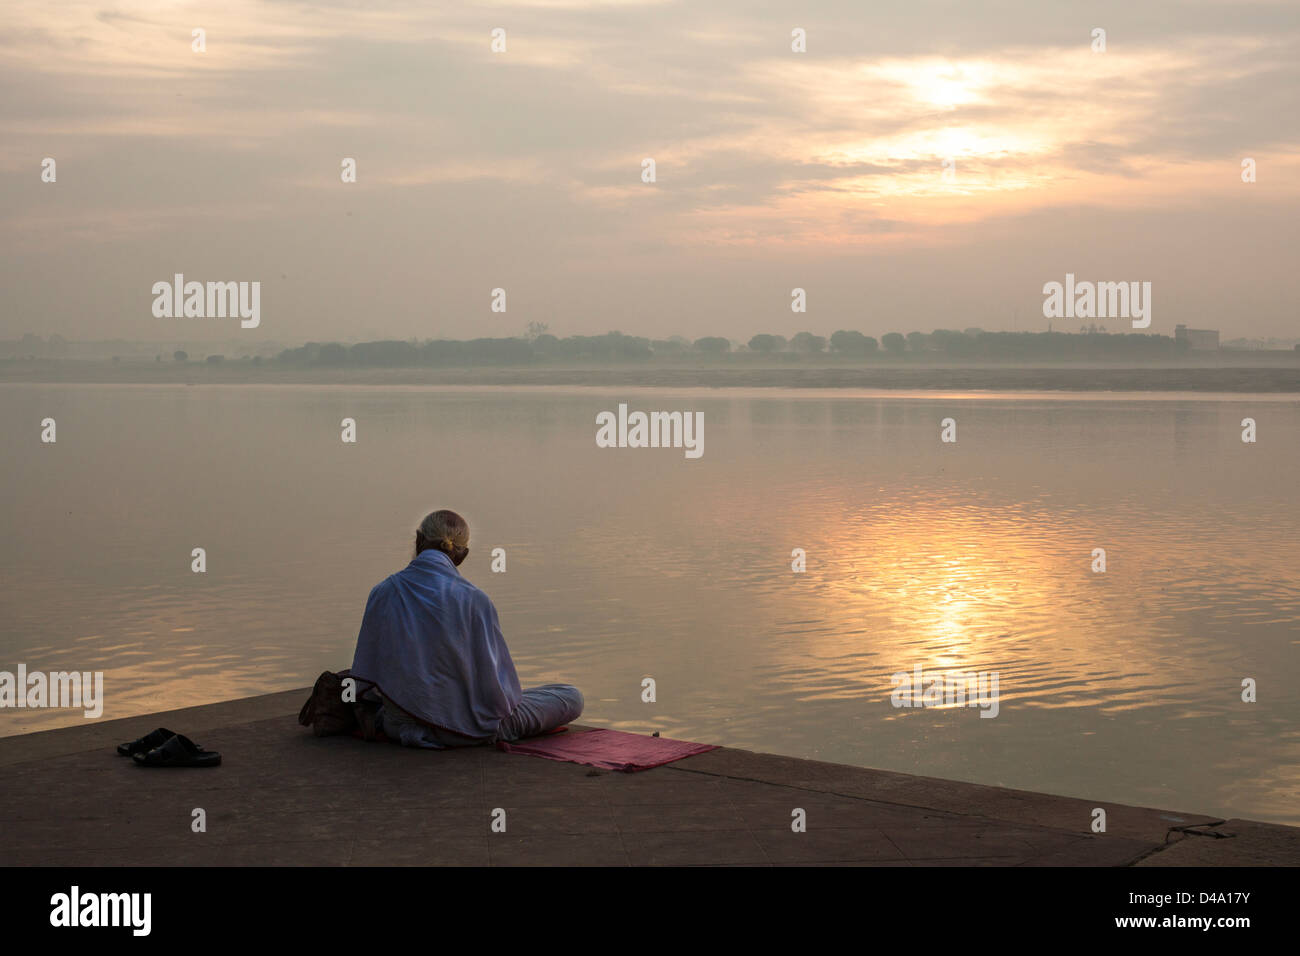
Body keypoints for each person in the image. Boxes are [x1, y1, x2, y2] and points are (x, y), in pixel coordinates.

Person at [350, 509, 583, 749]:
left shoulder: (383, 591)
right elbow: (501, 695)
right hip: (469, 731)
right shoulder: (475, 599)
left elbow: (366, 681)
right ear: (462, 556)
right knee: (571, 696)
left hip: (399, 728)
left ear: (419, 540)